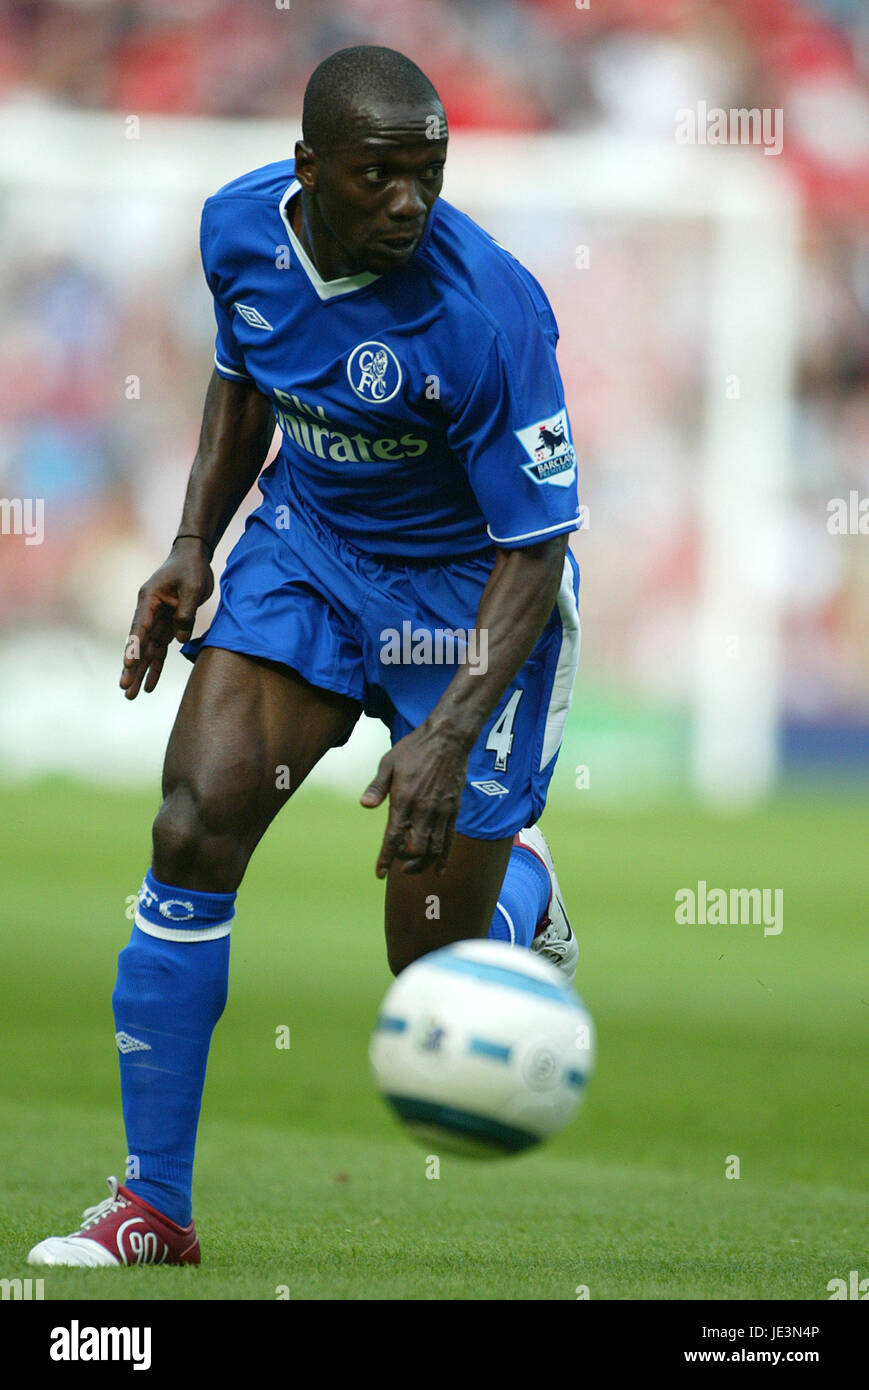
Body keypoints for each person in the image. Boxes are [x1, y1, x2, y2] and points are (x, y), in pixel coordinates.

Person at [28, 45, 581, 1269]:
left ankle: (522, 894)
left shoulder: (489, 309)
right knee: (191, 824)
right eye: (378, 174)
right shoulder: (236, 229)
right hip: (309, 553)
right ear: (308, 170)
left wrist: (441, 733)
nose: (407, 201)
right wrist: (189, 546)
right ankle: (152, 1209)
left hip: (472, 594)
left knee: (427, 964)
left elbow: (537, 551)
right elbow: (242, 383)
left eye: (426, 174)